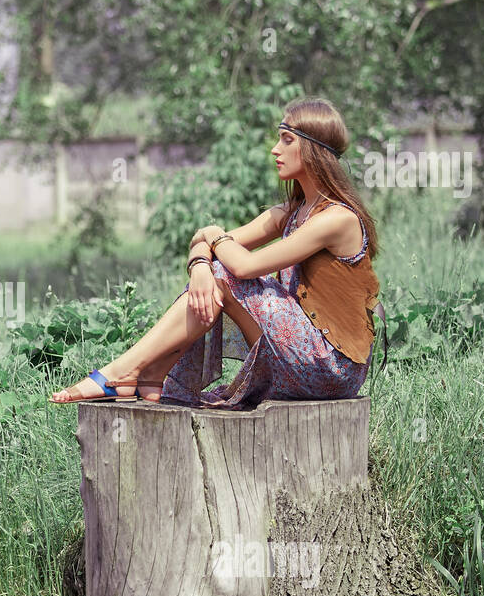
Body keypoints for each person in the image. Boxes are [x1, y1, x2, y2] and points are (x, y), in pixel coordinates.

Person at [49, 96, 380, 408]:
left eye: (286, 140)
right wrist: (200, 267)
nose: (275, 149)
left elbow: (245, 265)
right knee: (214, 273)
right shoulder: (292, 212)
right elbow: (207, 246)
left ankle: (122, 372)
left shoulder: (337, 219)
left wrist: (211, 236)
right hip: (297, 358)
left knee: (224, 273)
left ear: (313, 149)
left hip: (332, 369)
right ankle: (149, 374)